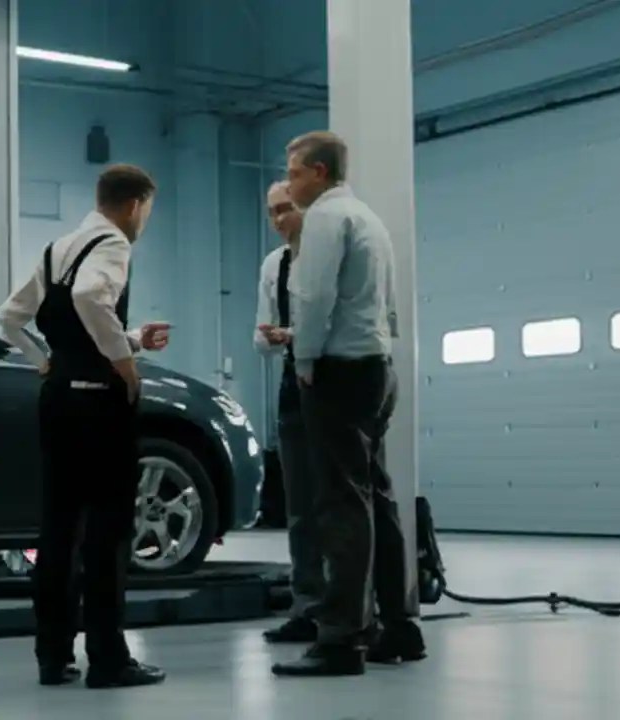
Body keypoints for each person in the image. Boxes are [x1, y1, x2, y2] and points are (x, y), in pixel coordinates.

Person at [0, 163, 171, 690]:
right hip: (101, 404)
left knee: (58, 528)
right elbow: (91, 299)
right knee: (107, 532)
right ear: (136, 204)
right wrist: (124, 360)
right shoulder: (115, 243)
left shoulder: (58, 249)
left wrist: (46, 361)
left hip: (59, 398)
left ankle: (53, 656)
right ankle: (109, 659)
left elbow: (8, 317)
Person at [270, 131, 426, 677]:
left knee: (340, 504)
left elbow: (310, 297)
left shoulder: (325, 220)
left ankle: (340, 639)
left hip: (338, 372)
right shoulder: (369, 219)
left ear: (317, 171)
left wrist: (306, 362)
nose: (288, 185)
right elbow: (385, 303)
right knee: (376, 499)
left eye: (292, 174)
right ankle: (399, 626)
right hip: (377, 369)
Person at [253, 180, 324, 644]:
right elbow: (261, 336)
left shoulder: (328, 254)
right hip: (292, 381)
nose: (279, 220)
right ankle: (308, 607)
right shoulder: (274, 265)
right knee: (300, 505)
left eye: (287, 209)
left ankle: (351, 605)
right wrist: (284, 336)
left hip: (334, 380)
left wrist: (295, 334)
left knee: (342, 501)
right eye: (272, 212)